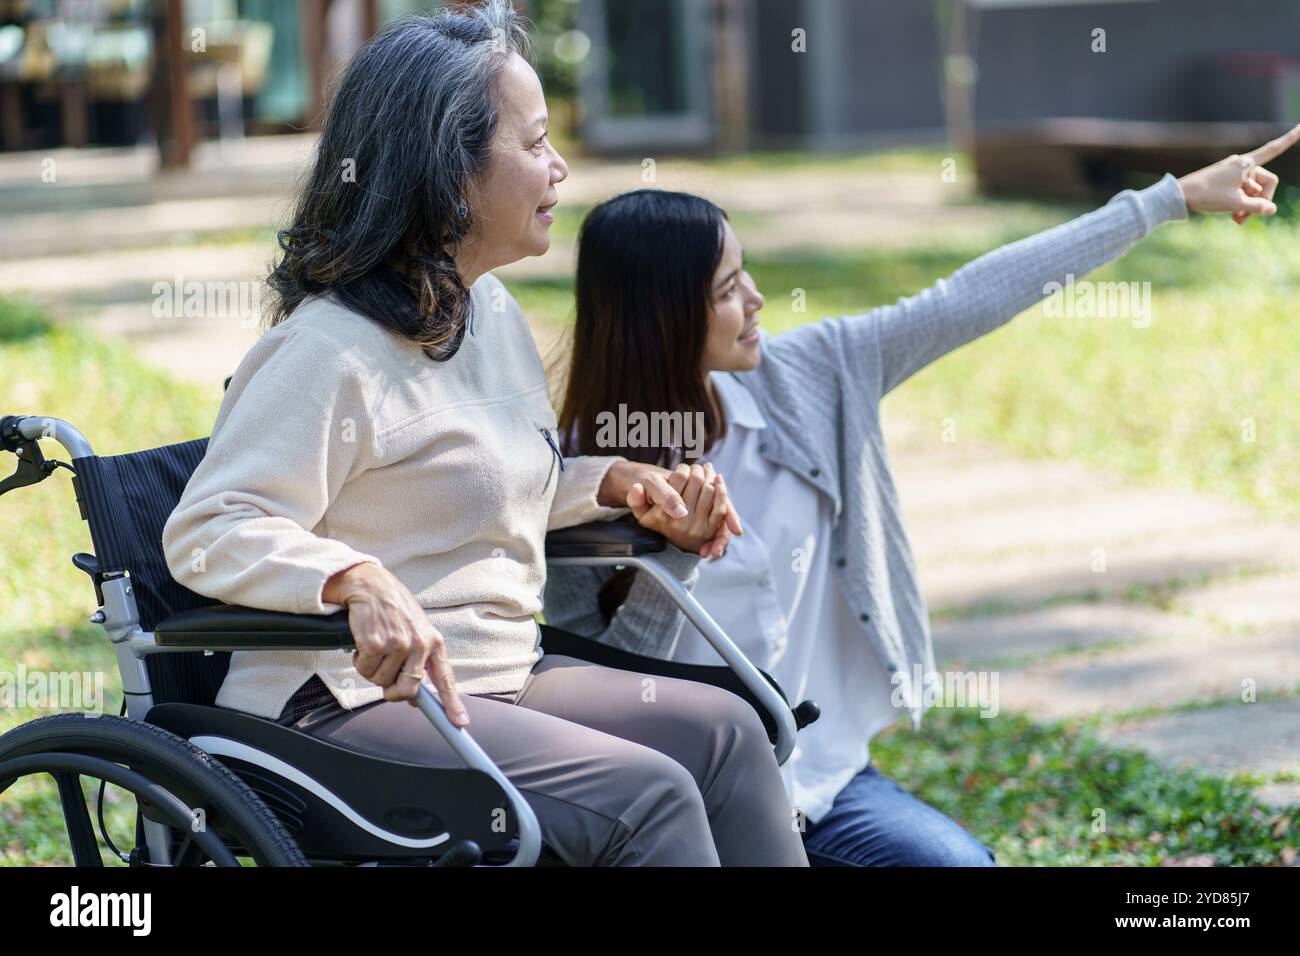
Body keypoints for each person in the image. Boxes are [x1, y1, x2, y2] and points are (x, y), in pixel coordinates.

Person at [162, 0, 806, 867]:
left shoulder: (486, 312)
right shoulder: (327, 349)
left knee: (729, 729)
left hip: (496, 674)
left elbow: (474, 488)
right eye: (535, 143)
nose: (561, 168)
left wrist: (612, 482)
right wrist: (351, 577)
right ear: (448, 171)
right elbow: (211, 525)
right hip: (338, 704)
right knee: (647, 797)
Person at [544, 128, 1300, 866]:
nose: (759, 298)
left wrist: (1168, 200)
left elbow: (973, 296)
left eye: (746, 273)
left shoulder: (814, 376)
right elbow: (603, 692)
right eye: (728, 289)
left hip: (823, 782)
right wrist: (672, 561)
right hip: (688, 810)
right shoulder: (578, 476)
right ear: (664, 318)